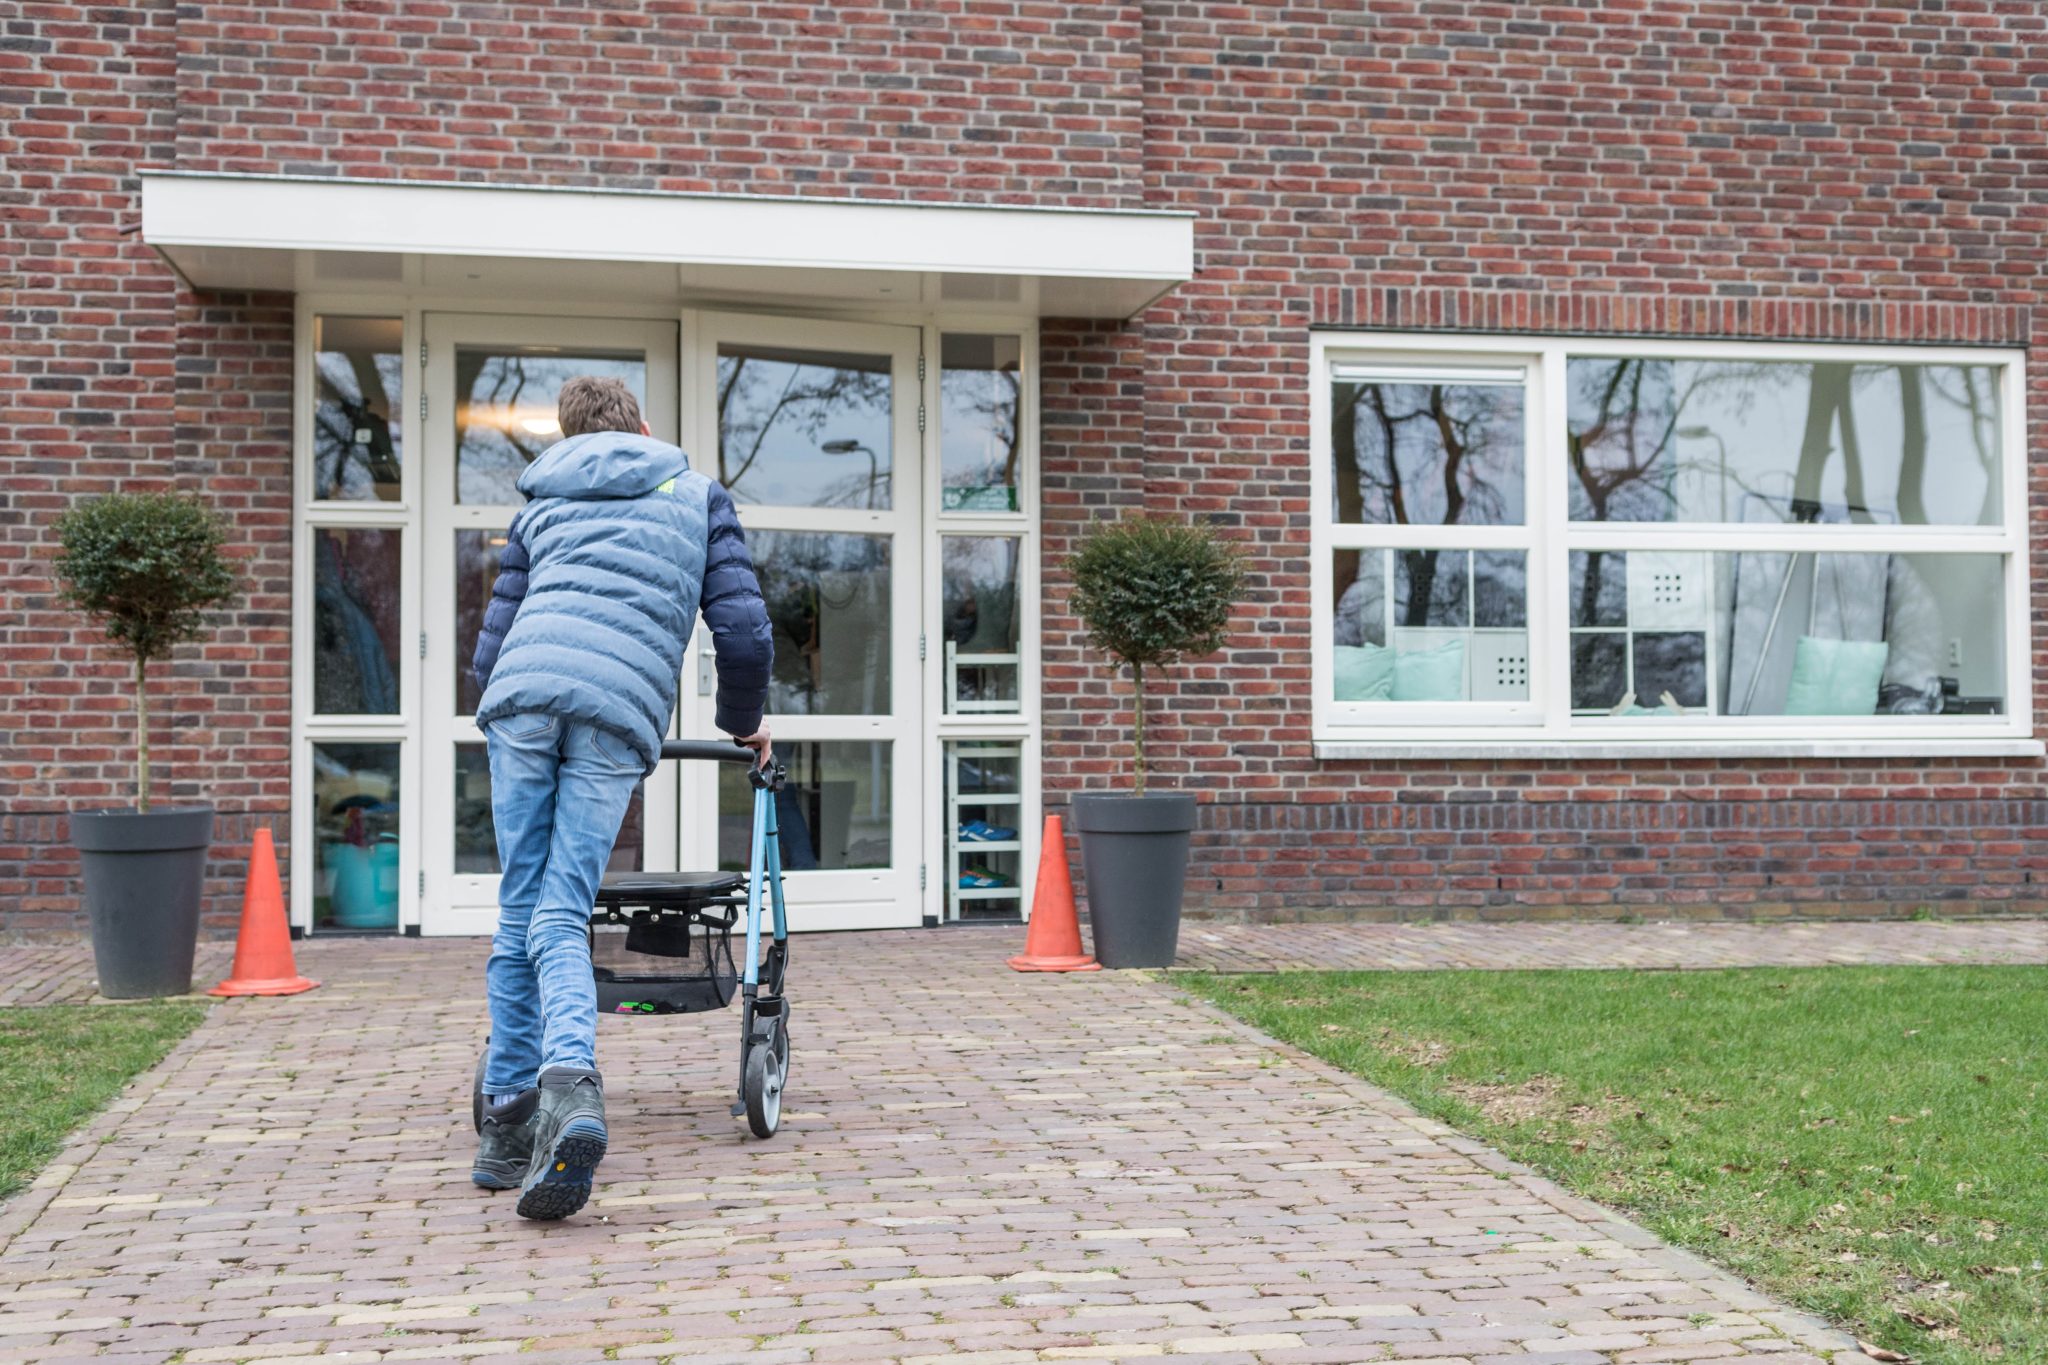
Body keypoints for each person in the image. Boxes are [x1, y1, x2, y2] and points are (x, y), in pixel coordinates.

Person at [467, 376, 773, 1221]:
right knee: (562, 908)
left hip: (521, 702)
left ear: (566, 438)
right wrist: (743, 723)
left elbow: (493, 643)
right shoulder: (697, 495)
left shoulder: (542, 499)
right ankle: (569, 1086)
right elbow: (744, 631)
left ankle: (506, 1122)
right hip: (612, 710)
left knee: (521, 907)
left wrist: (503, 702)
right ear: (643, 426)